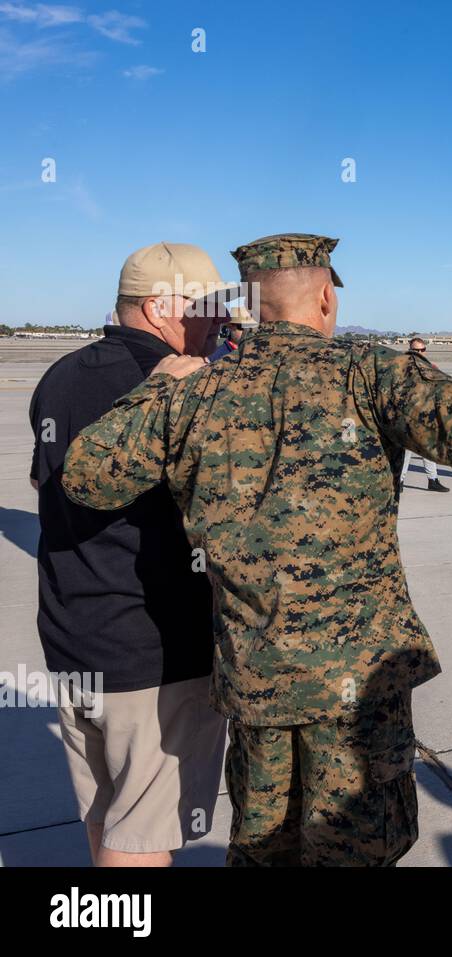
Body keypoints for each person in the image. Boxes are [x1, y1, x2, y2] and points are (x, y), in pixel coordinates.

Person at [62, 233, 452, 867]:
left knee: (267, 848)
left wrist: (157, 388)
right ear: (325, 298)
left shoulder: (193, 390)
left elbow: (88, 476)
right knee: (357, 847)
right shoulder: (369, 371)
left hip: (257, 675)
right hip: (357, 681)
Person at [30, 242, 232, 866]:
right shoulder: (185, 387)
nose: (222, 321)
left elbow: (46, 487)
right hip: (153, 651)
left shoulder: (59, 375)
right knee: (142, 835)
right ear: (160, 307)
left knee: (106, 814)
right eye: (210, 307)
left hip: (73, 637)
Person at [400, 338, 449, 492]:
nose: (419, 353)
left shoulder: (432, 368)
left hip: (426, 416)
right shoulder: (402, 368)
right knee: (406, 451)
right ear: (410, 350)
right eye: (416, 350)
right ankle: (399, 482)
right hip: (407, 416)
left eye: (422, 350)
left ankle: (432, 480)